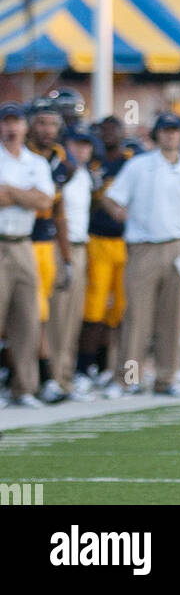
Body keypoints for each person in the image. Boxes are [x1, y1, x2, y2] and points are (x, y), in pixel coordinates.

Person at [100, 113, 180, 398]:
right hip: (143, 247)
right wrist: (118, 212)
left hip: (176, 246)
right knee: (137, 317)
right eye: (165, 131)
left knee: (172, 318)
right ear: (157, 134)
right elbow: (111, 196)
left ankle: (167, 377)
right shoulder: (139, 166)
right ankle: (127, 379)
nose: (170, 136)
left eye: (175, 131)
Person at [77, 115, 137, 389]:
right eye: (104, 130)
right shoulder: (92, 164)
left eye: (114, 130)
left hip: (125, 242)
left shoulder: (131, 162)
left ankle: (110, 366)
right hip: (97, 240)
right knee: (94, 308)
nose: (109, 135)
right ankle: (87, 366)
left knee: (121, 310)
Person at [0, 102, 53, 407]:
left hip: (23, 243)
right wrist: (25, 195)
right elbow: (31, 197)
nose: (11, 128)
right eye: (6, 122)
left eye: (16, 122)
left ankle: (25, 387)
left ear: (24, 126)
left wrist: (10, 191)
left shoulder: (36, 162)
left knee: (27, 318)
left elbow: (44, 201)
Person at [26, 98, 74, 404]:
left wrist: (67, 258)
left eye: (52, 123)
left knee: (41, 315)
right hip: (16, 238)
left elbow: (58, 209)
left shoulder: (59, 159)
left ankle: (44, 379)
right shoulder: (16, 156)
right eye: (41, 122)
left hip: (44, 242)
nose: (47, 129)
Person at [49, 125, 94, 400]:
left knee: (73, 318)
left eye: (87, 145)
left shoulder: (85, 174)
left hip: (81, 246)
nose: (82, 150)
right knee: (58, 318)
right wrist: (65, 255)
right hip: (61, 247)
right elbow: (56, 215)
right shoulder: (61, 171)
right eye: (77, 144)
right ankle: (54, 378)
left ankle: (65, 378)